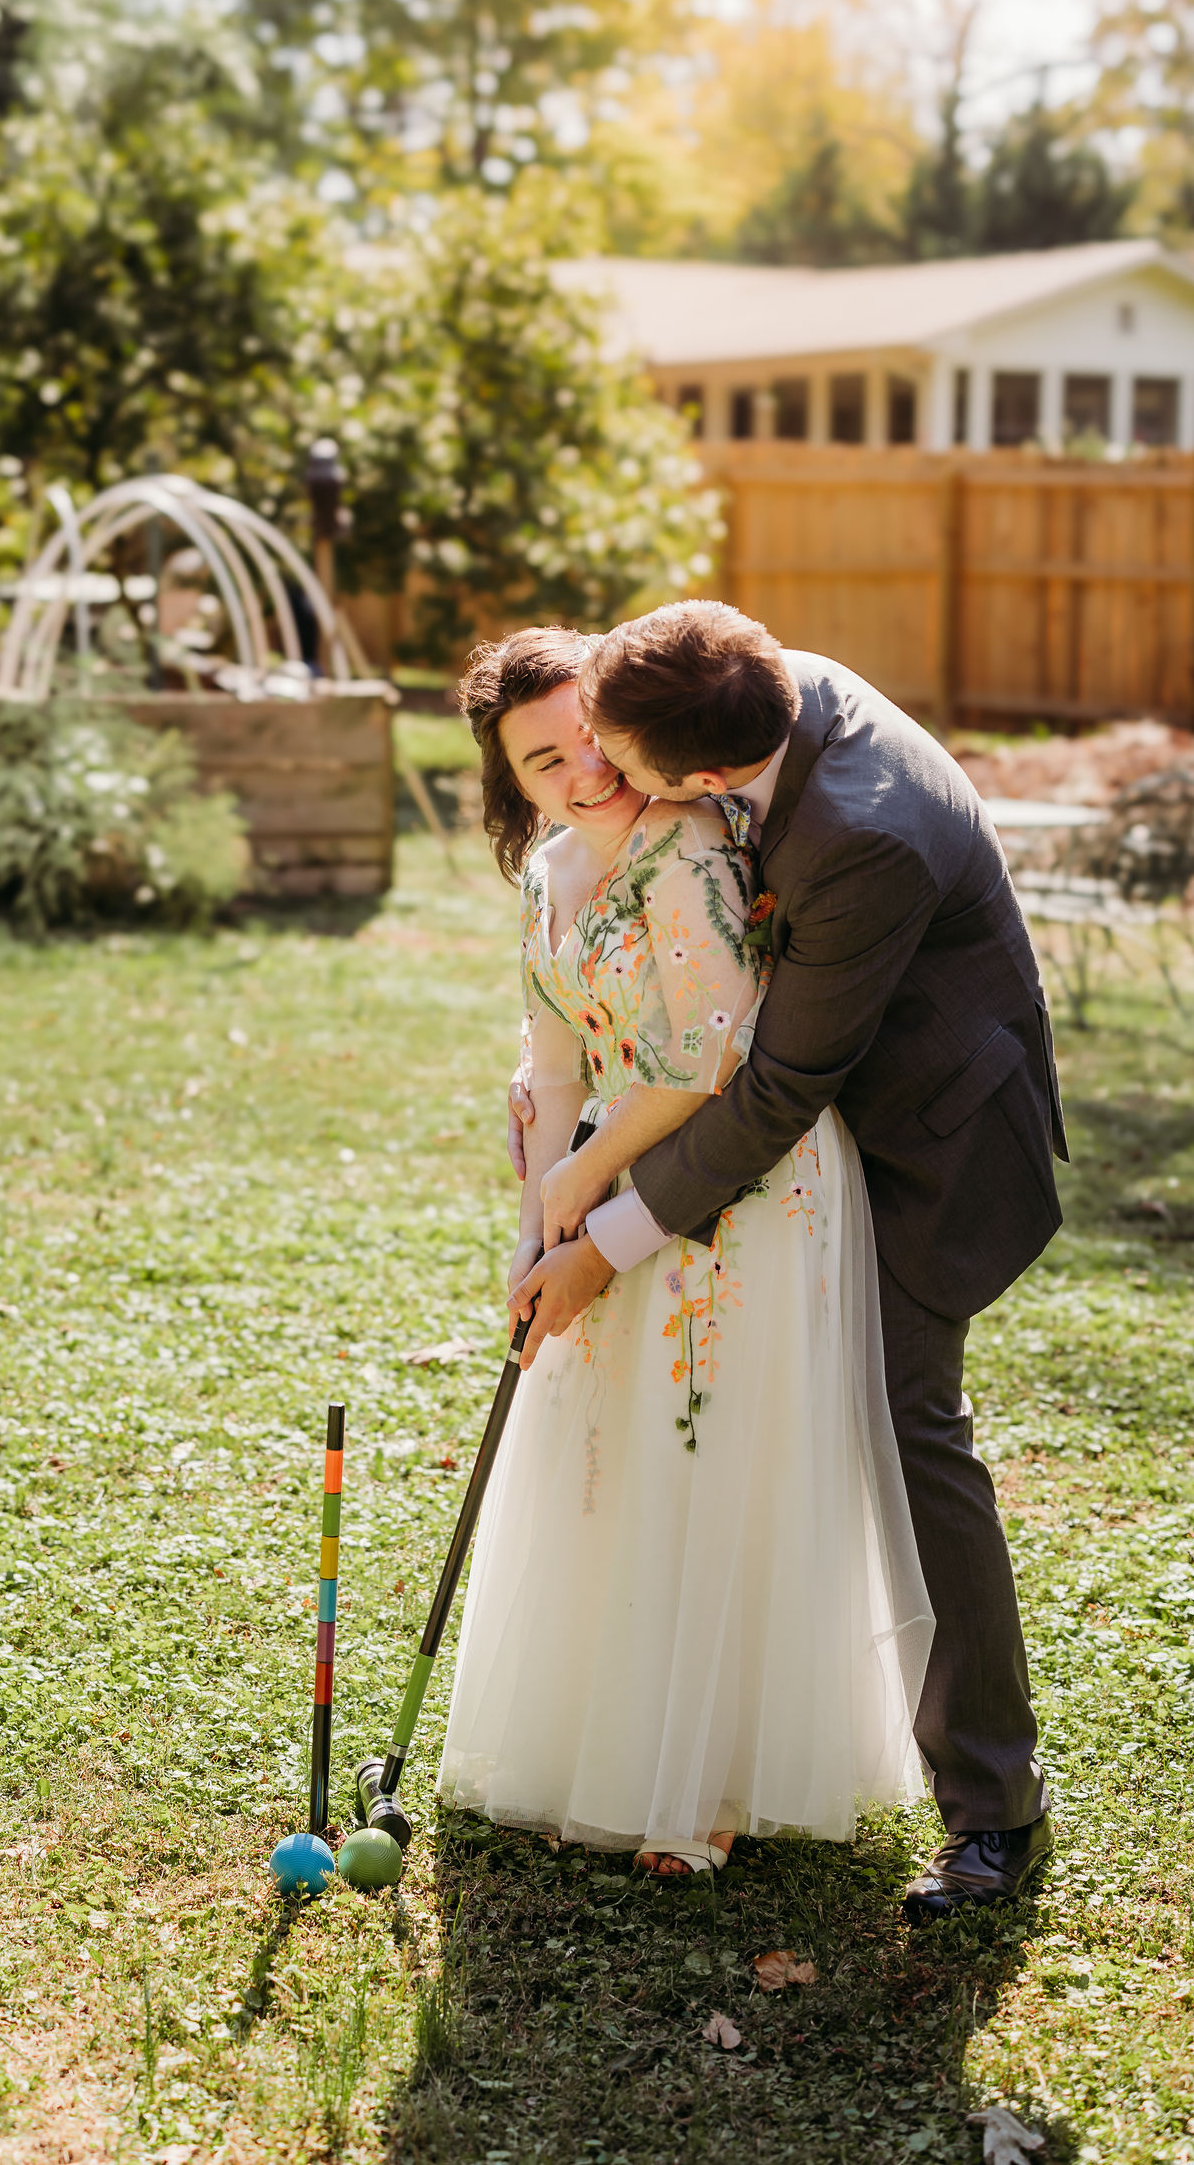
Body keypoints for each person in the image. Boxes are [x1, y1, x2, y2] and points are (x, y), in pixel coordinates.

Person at [506, 602, 1065, 1922]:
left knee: (909, 1429)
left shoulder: (861, 835)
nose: (596, 760)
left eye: (612, 748)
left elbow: (779, 1082)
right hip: (810, 1117)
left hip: (927, 1137)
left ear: (698, 778)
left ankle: (997, 1811)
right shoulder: (755, 679)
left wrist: (607, 1239)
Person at [437, 625, 934, 1879]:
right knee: (619, 1462)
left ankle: (707, 1778)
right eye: (544, 761)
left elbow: (707, 1054)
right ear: (519, 782)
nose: (581, 770)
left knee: (715, 1454)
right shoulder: (549, 871)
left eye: (589, 738)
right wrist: (528, 1237)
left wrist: (585, 1175)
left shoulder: (693, 850)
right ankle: (611, 1743)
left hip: (743, 1186)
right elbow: (549, 1068)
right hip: (617, 1171)